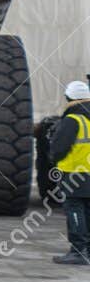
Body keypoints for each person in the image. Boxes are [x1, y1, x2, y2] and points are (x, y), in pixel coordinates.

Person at [47, 80, 90, 265]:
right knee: (87, 210)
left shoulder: (73, 119)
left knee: (74, 208)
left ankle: (78, 251)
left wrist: (53, 158)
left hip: (74, 172)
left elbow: (59, 147)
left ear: (69, 97)